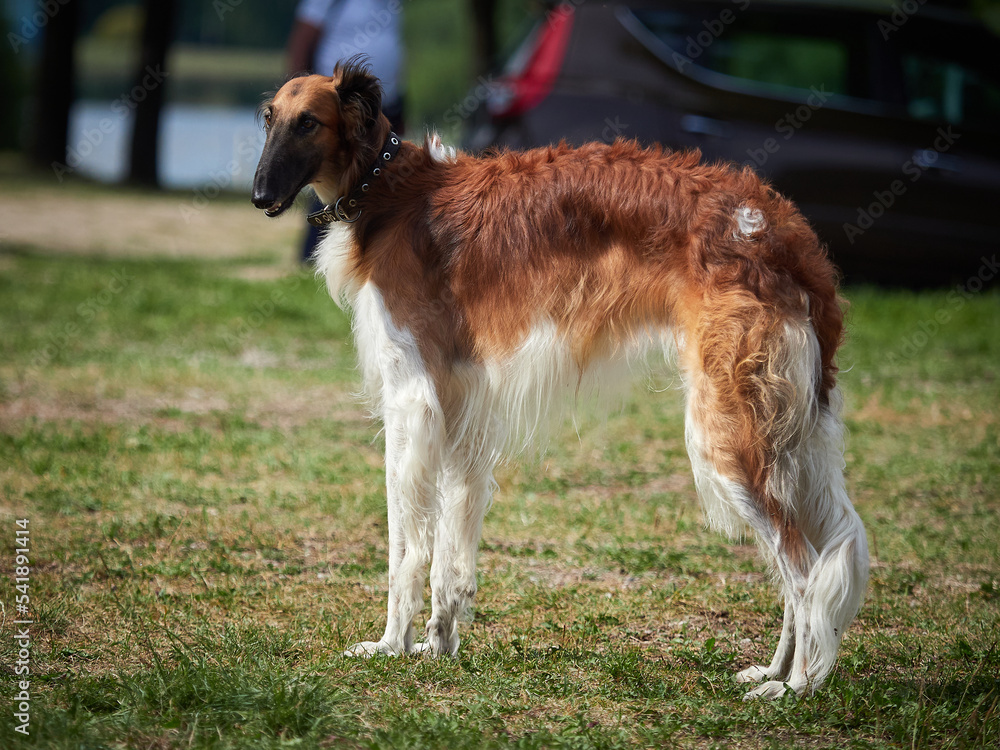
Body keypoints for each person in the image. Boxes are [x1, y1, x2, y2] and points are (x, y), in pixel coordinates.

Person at [287, 0, 405, 261]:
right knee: (330, 175)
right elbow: (303, 39)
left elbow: (392, 45)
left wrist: (400, 104)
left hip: (386, 105)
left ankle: (378, 255)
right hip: (336, 107)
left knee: (384, 180)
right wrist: (297, 99)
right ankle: (312, 255)